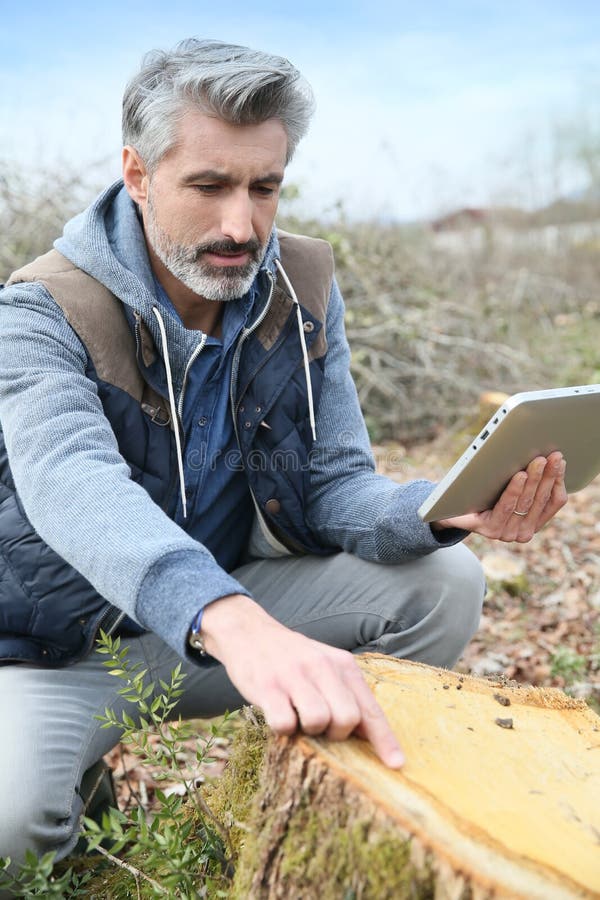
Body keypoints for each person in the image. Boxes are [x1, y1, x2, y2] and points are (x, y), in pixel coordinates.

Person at [0, 38, 567, 870]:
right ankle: (79, 781)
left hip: (238, 613)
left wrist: (436, 508)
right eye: (210, 185)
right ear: (137, 172)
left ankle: (292, 800)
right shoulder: (37, 311)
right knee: (12, 837)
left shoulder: (300, 285)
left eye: (265, 186)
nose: (243, 225)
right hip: (65, 649)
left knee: (442, 582)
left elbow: (335, 482)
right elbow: (73, 487)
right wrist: (229, 621)